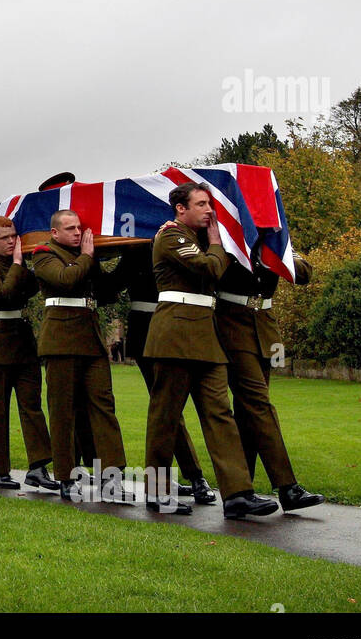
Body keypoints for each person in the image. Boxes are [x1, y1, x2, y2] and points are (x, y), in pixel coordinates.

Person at [143, 181, 277, 518]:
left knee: (220, 415)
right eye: (201, 204)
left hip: (205, 336)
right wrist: (218, 243)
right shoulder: (171, 236)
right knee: (166, 416)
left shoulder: (199, 239)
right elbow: (210, 268)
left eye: (210, 204)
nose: (209, 210)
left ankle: (237, 494)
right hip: (174, 335)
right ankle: (157, 492)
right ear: (180, 209)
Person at [30, 211, 134, 503]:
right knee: (63, 411)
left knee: (104, 408)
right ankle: (66, 475)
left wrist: (126, 259)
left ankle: (112, 477)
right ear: (54, 232)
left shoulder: (86, 256)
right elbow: (65, 280)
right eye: (70, 228)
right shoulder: (44, 253)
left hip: (90, 339)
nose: (78, 232)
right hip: (60, 341)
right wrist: (88, 256)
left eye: (79, 227)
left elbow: (105, 291)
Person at [215, 248, 325, 511]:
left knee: (248, 412)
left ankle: (240, 492)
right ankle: (288, 487)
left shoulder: (274, 240)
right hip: (232, 324)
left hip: (264, 327)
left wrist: (276, 257)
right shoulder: (230, 233)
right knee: (258, 405)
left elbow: (303, 273)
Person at [122, 242, 216, 504]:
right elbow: (112, 285)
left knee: (199, 407)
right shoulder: (136, 249)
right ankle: (193, 476)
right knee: (167, 409)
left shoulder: (184, 242)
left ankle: (192, 477)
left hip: (189, 329)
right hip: (148, 333)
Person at [0, 216, 58, 490]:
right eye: (5, 238)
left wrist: (21, 265)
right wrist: (18, 264)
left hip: (21, 339)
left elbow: (33, 288)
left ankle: (39, 467)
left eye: (14, 236)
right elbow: (4, 293)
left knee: (32, 404)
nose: (12, 241)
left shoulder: (16, 264)